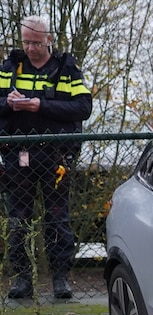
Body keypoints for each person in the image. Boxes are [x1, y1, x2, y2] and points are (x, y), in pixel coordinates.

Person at [0, 15, 93, 299]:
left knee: (57, 218)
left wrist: (41, 105)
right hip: (17, 155)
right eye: (26, 41)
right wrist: (10, 104)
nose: (30, 48)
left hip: (56, 156)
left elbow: (82, 107)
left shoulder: (65, 69)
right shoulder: (10, 68)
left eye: (36, 42)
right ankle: (22, 279)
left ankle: (61, 278)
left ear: (48, 39)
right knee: (19, 219)